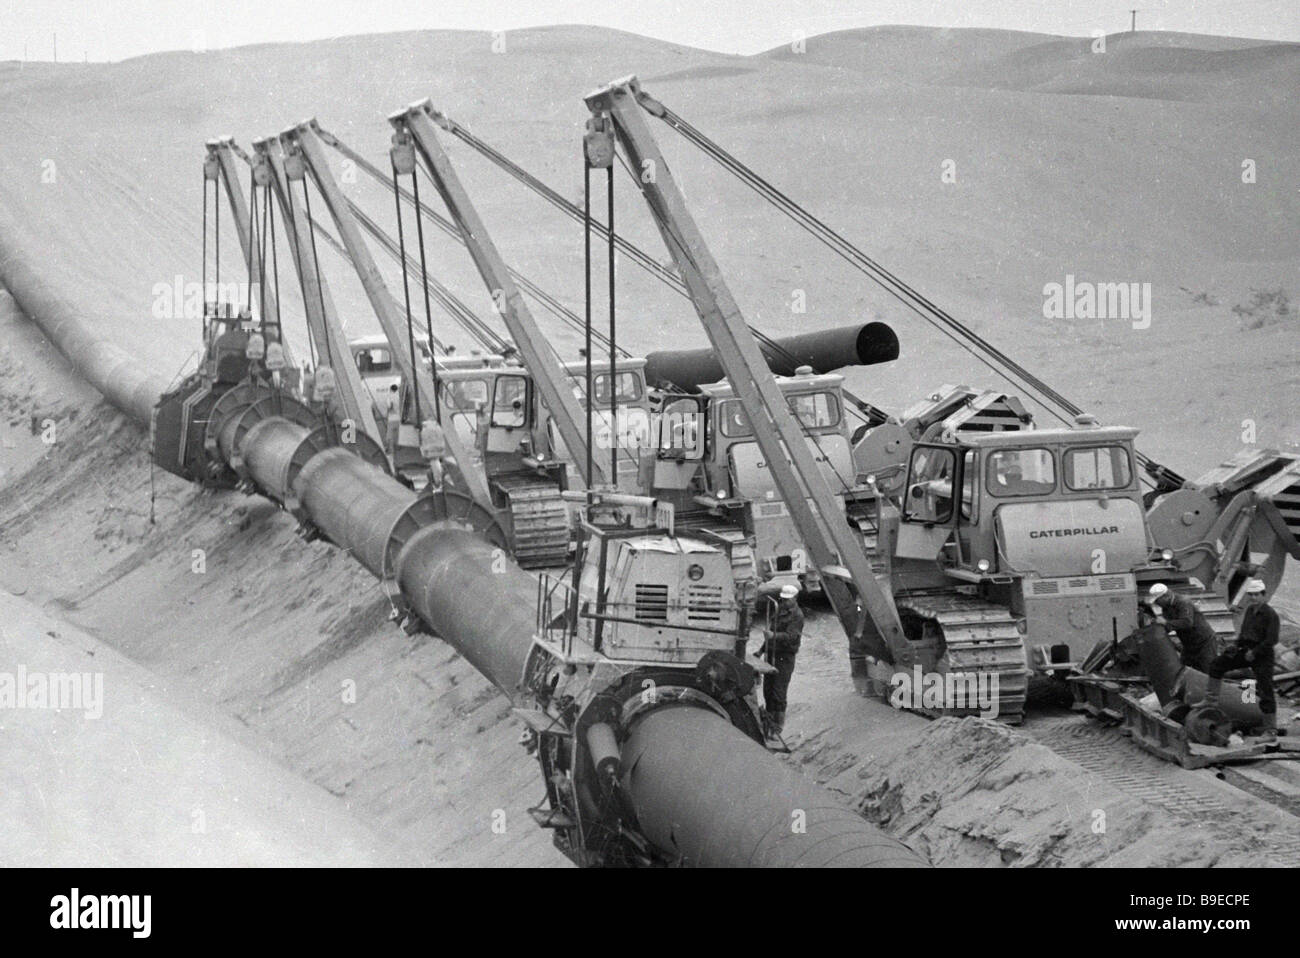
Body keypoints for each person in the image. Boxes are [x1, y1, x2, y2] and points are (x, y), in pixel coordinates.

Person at [1204, 579, 1280, 736]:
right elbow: (1244, 634)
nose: (1253, 598)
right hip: (1246, 650)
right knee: (1218, 664)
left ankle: (1271, 728)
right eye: (1251, 594)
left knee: (1265, 689)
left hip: (1263, 655)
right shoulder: (1250, 610)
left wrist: (1255, 653)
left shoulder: (1270, 614)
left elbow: (1272, 640)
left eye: (1256, 595)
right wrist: (1235, 646)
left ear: (1263, 595)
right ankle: (1210, 701)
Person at [762, 584, 804, 739]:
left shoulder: (797, 616)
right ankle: (768, 725)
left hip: (785, 657)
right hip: (772, 653)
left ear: (794, 599)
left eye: (788, 600)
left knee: (779, 693)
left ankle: (778, 728)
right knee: (768, 691)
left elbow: (791, 636)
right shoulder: (779, 610)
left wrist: (774, 636)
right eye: (784, 599)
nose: (785, 602)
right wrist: (761, 650)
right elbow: (770, 633)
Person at [1145, 583, 1218, 672]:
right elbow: (1170, 626)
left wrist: (1165, 623)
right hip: (1189, 645)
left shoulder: (1183, 602)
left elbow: (1187, 622)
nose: (1157, 603)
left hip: (1205, 643)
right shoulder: (1166, 608)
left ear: (1165, 596)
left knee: (1208, 672)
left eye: (1157, 600)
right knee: (1183, 673)